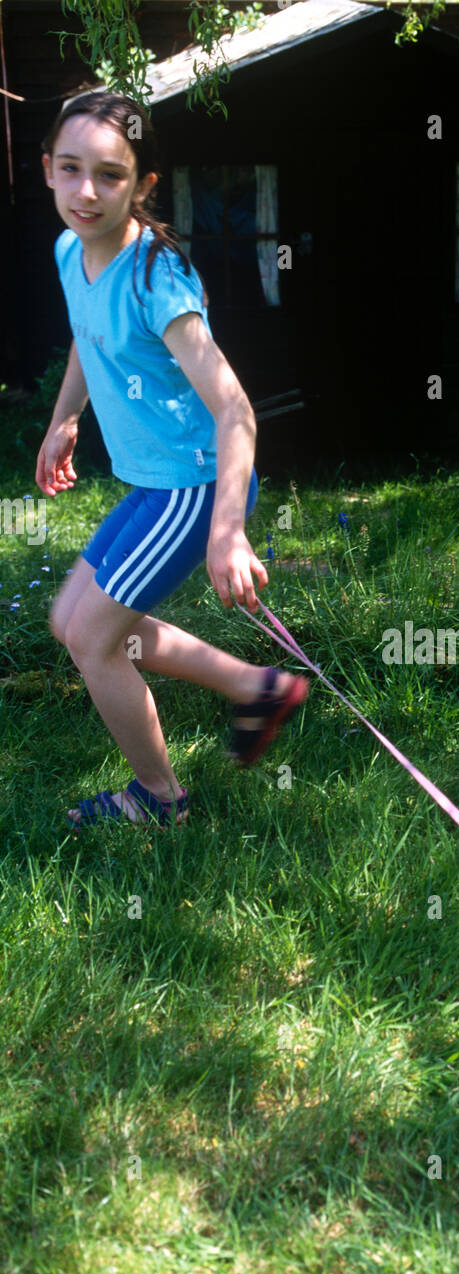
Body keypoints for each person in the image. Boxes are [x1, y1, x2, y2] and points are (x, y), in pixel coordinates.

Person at [37, 92, 307, 828]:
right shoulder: (71, 252)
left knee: (95, 642)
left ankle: (160, 799)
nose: (86, 191)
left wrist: (227, 532)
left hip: (197, 485)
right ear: (47, 172)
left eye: (110, 175)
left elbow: (234, 410)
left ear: (142, 185)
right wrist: (66, 417)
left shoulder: (157, 279)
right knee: (72, 620)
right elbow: (86, 337)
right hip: (158, 485)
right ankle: (258, 688)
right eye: (70, 169)